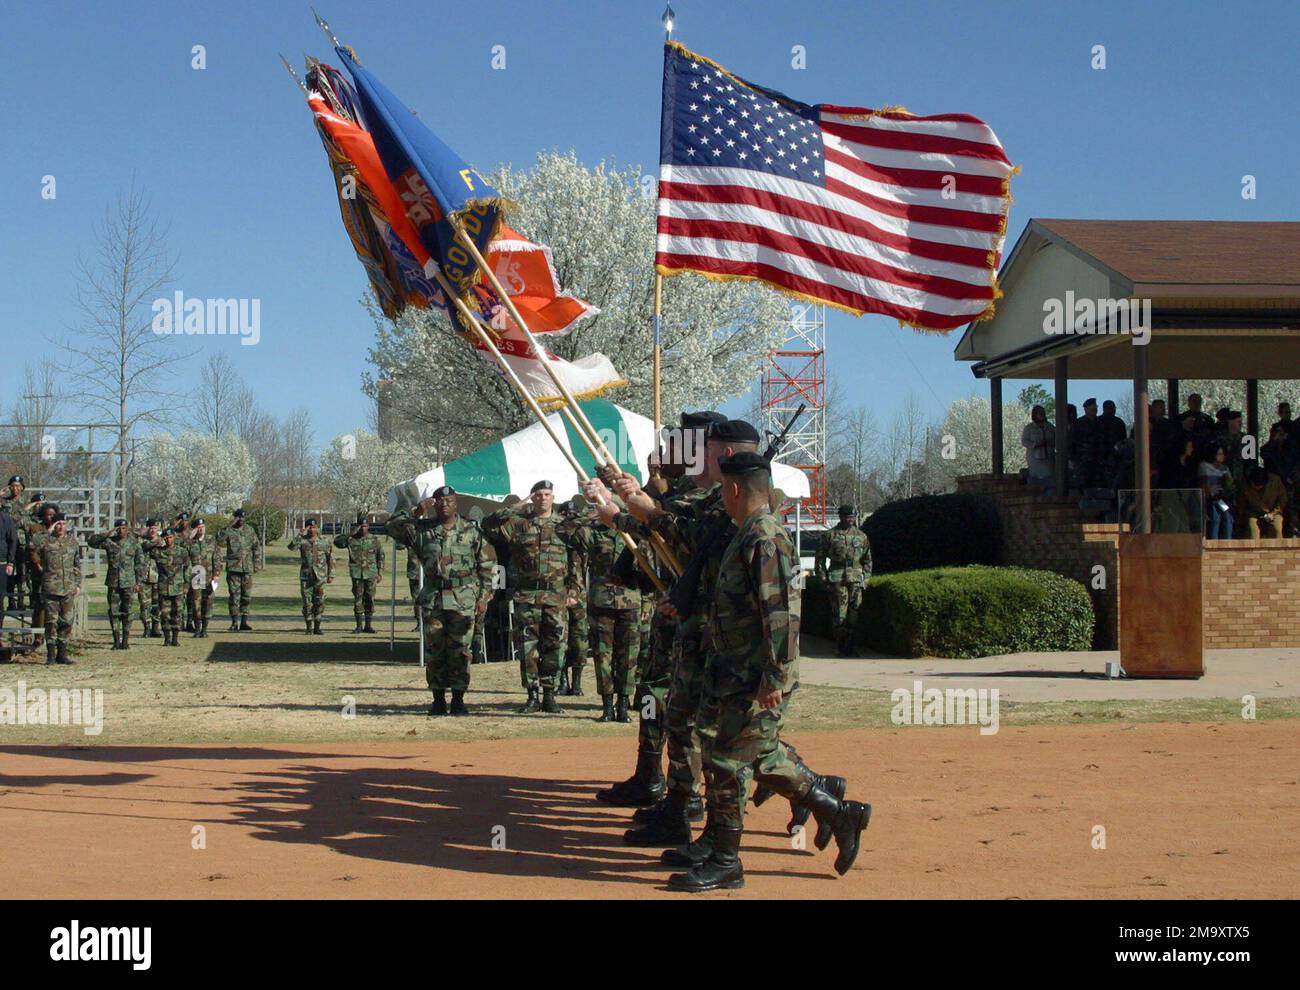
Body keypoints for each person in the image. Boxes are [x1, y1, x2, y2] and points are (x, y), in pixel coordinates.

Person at [665, 451, 871, 892]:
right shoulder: (745, 534)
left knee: (727, 762)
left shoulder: (765, 539)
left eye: (723, 489)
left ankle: (726, 860)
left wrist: (775, 678)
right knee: (752, 754)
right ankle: (835, 809)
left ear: (735, 489)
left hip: (753, 674)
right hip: (730, 669)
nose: (721, 496)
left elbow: (780, 615)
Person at [389, 487, 495, 716]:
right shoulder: (423, 531)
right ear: (434, 504)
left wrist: (484, 597)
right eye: (439, 501)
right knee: (435, 650)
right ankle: (437, 699)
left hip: (463, 598)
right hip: (434, 598)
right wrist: (417, 511)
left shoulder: (470, 531)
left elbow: (486, 566)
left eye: (448, 500)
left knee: (460, 651)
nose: (444, 504)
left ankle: (458, 699)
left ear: (455, 503)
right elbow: (393, 528)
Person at [482, 481, 582, 714]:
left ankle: (550, 694)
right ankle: (532, 696)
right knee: (528, 647)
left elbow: (575, 560)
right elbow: (488, 525)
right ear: (532, 498)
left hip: (556, 594)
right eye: (537, 495)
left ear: (553, 497)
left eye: (546, 495)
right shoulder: (519, 525)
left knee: (555, 646)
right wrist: (514, 508)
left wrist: (574, 591)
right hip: (527, 594)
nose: (542, 499)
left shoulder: (564, 526)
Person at [568, 504, 642, 722]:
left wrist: (647, 604)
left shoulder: (634, 532)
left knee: (629, 656)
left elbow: (647, 566)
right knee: (603, 656)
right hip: (601, 602)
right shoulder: (591, 532)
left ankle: (624, 705)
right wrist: (591, 513)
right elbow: (569, 533)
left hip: (631, 601)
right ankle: (607, 706)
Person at [815, 505, 872, 656]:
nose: (850, 520)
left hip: (855, 578)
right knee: (840, 614)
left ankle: (852, 647)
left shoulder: (861, 536)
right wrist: (823, 577)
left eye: (853, 517)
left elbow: (867, 560)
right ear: (841, 517)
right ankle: (841, 647)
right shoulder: (830, 535)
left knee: (854, 614)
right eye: (848, 517)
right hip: (837, 578)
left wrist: (865, 579)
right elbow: (819, 558)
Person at [86, 518, 146, 650]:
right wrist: (106, 534)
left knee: (128, 611)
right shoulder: (109, 542)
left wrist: (139, 582)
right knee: (114, 612)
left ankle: (125, 640)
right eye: (118, 528)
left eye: (124, 528)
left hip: (129, 583)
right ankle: (116, 640)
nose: (121, 531)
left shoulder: (134, 543)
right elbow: (91, 542)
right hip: (113, 582)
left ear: (128, 529)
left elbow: (140, 564)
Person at [30, 511, 80, 665]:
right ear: (53, 524)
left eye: (64, 524)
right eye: (58, 524)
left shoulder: (72, 542)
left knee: (67, 621)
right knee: (51, 622)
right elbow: (32, 545)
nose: (61, 527)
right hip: (51, 587)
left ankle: (62, 654)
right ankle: (51, 655)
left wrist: (77, 584)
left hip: (68, 588)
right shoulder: (46, 540)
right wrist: (48, 532)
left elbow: (76, 565)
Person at [560, 495, 591, 696]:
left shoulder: (582, 536)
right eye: (567, 514)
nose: (572, 518)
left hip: (579, 595)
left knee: (579, 641)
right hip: (559, 594)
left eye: (574, 514)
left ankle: (577, 684)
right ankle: (562, 681)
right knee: (560, 640)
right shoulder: (558, 531)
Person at [333, 515, 385, 633]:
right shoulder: (351, 540)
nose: (363, 528)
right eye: (361, 526)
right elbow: (337, 542)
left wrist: (380, 572)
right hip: (357, 574)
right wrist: (350, 533)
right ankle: (359, 626)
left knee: (370, 598)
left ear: (368, 526)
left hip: (371, 573)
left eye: (365, 526)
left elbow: (380, 556)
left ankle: (368, 625)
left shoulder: (374, 540)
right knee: (358, 599)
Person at [287, 518, 334, 635]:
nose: (312, 530)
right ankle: (309, 628)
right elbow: (291, 547)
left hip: (321, 578)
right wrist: (300, 534)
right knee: (307, 603)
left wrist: (331, 574)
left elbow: (330, 558)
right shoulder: (302, 541)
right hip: (306, 577)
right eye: (310, 527)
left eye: (314, 527)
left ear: (317, 527)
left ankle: (317, 627)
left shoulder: (324, 541)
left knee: (320, 602)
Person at [147, 528, 191, 647]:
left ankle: (175, 639)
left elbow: (188, 567)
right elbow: (144, 547)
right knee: (165, 614)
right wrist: (156, 541)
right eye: (166, 537)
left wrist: (187, 584)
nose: (168, 540)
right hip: (163, 587)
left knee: (177, 613)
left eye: (170, 537)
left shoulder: (182, 551)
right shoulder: (158, 551)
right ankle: (167, 638)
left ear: (174, 537)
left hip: (178, 587)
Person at [217, 508, 258, 631]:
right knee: (234, 596)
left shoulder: (250, 530)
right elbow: (219, 540)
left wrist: (256, 563)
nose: (241, 519)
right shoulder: (229, 530)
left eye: (243, 517)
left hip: (247, 568)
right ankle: (234, 622)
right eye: (239, 517)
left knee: (246, 596)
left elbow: (256, 547)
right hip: (234, 568)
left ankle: (244, 622)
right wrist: (229, 526)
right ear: (235, 517)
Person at [0, 476, 29, 613]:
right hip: (6, 544)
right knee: (8, 574)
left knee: (22, 573)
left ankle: (22, 601)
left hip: (21, 543)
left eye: (18, 486)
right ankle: (11, 601)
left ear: (22, 488)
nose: (15, 488)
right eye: (12, 486)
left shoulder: (27, 504)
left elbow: (27, 523)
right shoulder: (4, 503)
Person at [188, 518, 219, 638]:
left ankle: (205, 629)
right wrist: (190, 537)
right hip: (196, 576)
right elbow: (182, 552)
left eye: (203, 527)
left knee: (208, 603)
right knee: (196, 604)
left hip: (209, 576)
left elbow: (216, 558)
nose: (201, 529)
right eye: (198, 527)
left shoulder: (211, 540)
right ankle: (197, 629)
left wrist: (216, 574)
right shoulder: (190, 542)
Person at [1239, 466, 1289, 539]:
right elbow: (1241, 502)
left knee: (1276, 530)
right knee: (1252, 530)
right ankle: (1255, 549)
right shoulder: (1244, 485)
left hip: (1273, 511)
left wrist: (1273, 512)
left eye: (1260, 486)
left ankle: (1276, 550)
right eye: (1255, 485)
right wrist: (1241, 517)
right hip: (1254, 512)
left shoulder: (1275, 481)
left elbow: (1283, 498)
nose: (1257, 488)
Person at [1199, 444, 1235, 540]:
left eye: (1223, 454)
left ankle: (1228, 542)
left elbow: (1230, 485)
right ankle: (1213, 543)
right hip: (1209, 499)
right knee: (1215, 519)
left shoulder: (1225, 468)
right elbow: (1203, 484)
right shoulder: (1204, 466)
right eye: (1219, 454)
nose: (1222, 456)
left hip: (1221, 499)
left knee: (1227, 517)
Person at [1071, 398, 1106, 488]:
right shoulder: (1078, 424)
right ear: (1086, 409)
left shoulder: (1101, 422)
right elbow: (1072, 442)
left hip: (1099, 461)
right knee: (1082, 487)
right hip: (1083, 462)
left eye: (1095, 409)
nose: (1094, 411)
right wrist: (1072, 459)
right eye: (1092, 409)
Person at [136, 518, 162, 638]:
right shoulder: (141, 541)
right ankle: (146, 627)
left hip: (159, 577)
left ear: (158, 529)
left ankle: (156, 627)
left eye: (155, 528)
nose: (152, 530)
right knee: (144, 603)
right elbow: (145, 546)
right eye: (150, 528)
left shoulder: (164, 541)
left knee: (157, 604)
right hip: (143, 577)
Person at [1020, 405, 1055, 487]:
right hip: (1035, 457)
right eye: (1039, 413)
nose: (1042, 415)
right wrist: (1036, 444)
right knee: (1036, 478)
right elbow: (1024, 441)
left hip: (1048, 457)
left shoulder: (1050, 427)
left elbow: (1057, 439)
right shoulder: (1029, 428)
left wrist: (1050, 443)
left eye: (1043, 413)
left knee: (1049, 477)